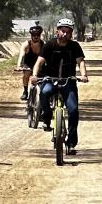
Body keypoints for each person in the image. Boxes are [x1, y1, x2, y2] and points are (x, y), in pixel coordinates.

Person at [31, 19, 89, 155]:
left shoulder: (75, 46)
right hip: (50, 79)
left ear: (72, 33)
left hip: (68, 82)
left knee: (73, 110)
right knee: (44, 93)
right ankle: (46, 117)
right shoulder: (49, 45)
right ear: (57, 31)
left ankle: (71, 143)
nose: (65, 34)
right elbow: (39, 62)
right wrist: (34, 75)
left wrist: (84, 75)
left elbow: (80, 62)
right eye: (63, 30)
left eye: (68, 31)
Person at [18, 24, 46, 126]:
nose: (35, 36)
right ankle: (25, 91)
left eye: (37, 34)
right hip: (28, 64)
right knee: (26, 73)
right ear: (31, 35)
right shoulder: (26, 44)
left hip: (40, 65)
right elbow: (21, 55)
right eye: (33, 34)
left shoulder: (44, 45)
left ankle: (42, 108)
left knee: (44, 85)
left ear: (40, 35)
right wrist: (19, 65)